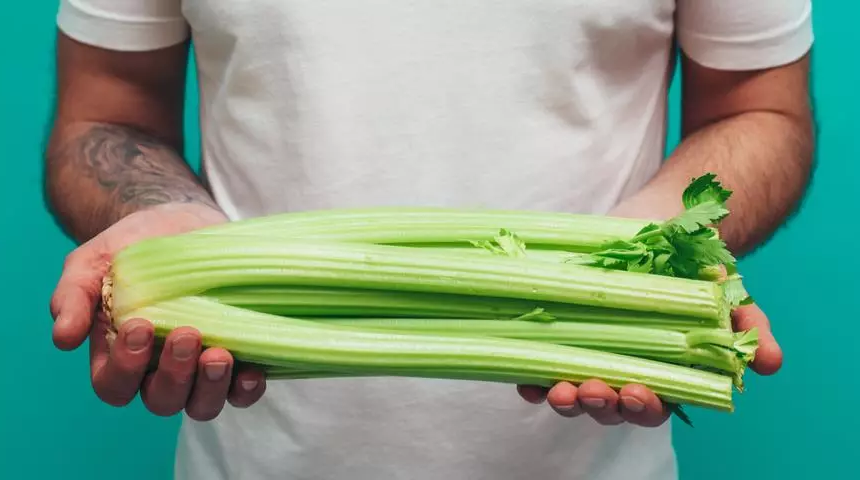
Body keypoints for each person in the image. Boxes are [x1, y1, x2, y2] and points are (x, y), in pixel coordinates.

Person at [44, 1, 814, 479]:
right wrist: (163, 216)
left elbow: (761, 110)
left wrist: (629, 268)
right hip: (255, 456)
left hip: (591, 453)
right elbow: (108, 110)